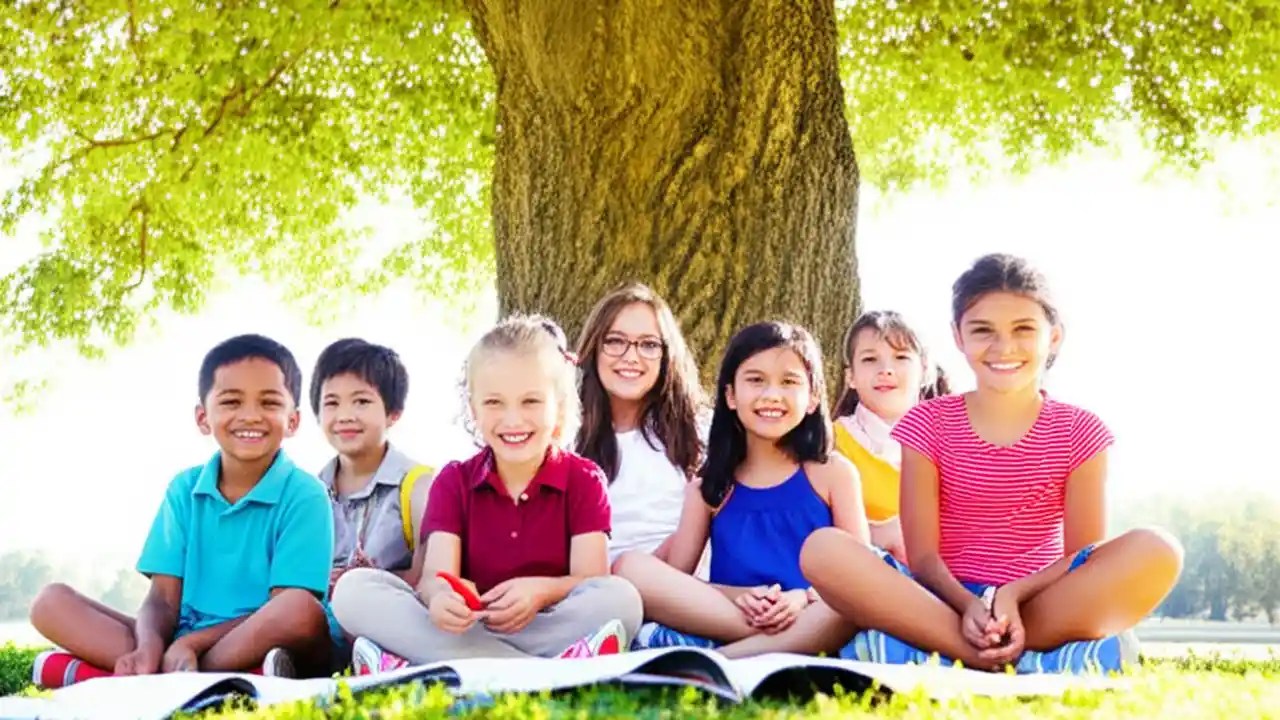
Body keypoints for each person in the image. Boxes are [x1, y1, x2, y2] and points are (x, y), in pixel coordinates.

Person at [801, 253, 1184, 673]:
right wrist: (968, 605)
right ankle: (998, 656)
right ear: (958, 337)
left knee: (1158, 549)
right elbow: (924, 556)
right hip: (942, 601)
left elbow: (1081, 558)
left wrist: (1013, 595)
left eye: (1024, 330)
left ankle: (954, 649)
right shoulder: (926, 423)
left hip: (1037, 604)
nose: (1003, 348)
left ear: (1053, 337)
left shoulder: (1081, 431)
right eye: (983, 331)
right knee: (824, 549)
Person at [331, 315, 643, 672]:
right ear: (474, 409)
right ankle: (548, 673)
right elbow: (435, 578)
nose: (513, 420)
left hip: (548, 625)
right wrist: (441, 600)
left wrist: (541, 590)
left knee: (622, 599)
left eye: (530, 402)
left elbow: (591, 579)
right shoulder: (454, 480)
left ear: (558, 405)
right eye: (494, 402)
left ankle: (433, 666)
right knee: (353, 591)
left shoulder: (584, 479)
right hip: (466, 629)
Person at [29, 334, 334, 688]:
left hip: (257, 637)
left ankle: (162, 674)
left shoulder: (305, 494)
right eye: (231, 401)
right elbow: (161, 600)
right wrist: (147, 646)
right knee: (49, 603)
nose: (250, 415)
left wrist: (193, 644)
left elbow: (288, 607)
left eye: (269, 403)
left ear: (293, 420)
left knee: (300, 609)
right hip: (181, 638)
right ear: (203, 418)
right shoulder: (184, 490)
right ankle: (189, 672)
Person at [614, 321, 868, 658]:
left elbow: (863, 574)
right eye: (755, 380)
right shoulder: (707, 490)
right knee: (630, 567)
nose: (771, 395)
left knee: (852, 600)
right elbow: (679, 586)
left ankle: (724, 661)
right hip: (736, 619)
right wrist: (741, 597)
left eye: (789, 381)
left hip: (816, 613)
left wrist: (802, 598)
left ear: (813, 397)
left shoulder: (834, 474)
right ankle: (769, 645)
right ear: (731, 395)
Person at [573, 282, 708, 569]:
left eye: (648, 345)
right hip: (597, 595)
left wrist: (647, 570)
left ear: (666, 355)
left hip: (686, 588)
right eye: (615, 341)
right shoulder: (566, 436)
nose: (631, 357)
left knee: (633, 568)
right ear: (594, 348)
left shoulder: (699, 430)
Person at [311, 338, 432, 588]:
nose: (345, 416)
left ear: (393, 413)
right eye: (332, 403)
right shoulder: (309, 492)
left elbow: (429, 579)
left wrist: (367, 581)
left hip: (387, 622)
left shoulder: (419, 486)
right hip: (315, 624)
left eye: (362, 402)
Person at [831, 310, 949, 564]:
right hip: (864, 582)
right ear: (850, 376)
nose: (885, 370)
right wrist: (883, 534)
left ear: (925, 372)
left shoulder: (955, 445)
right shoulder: (831, 442)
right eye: (870, 359)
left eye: (901, 357)